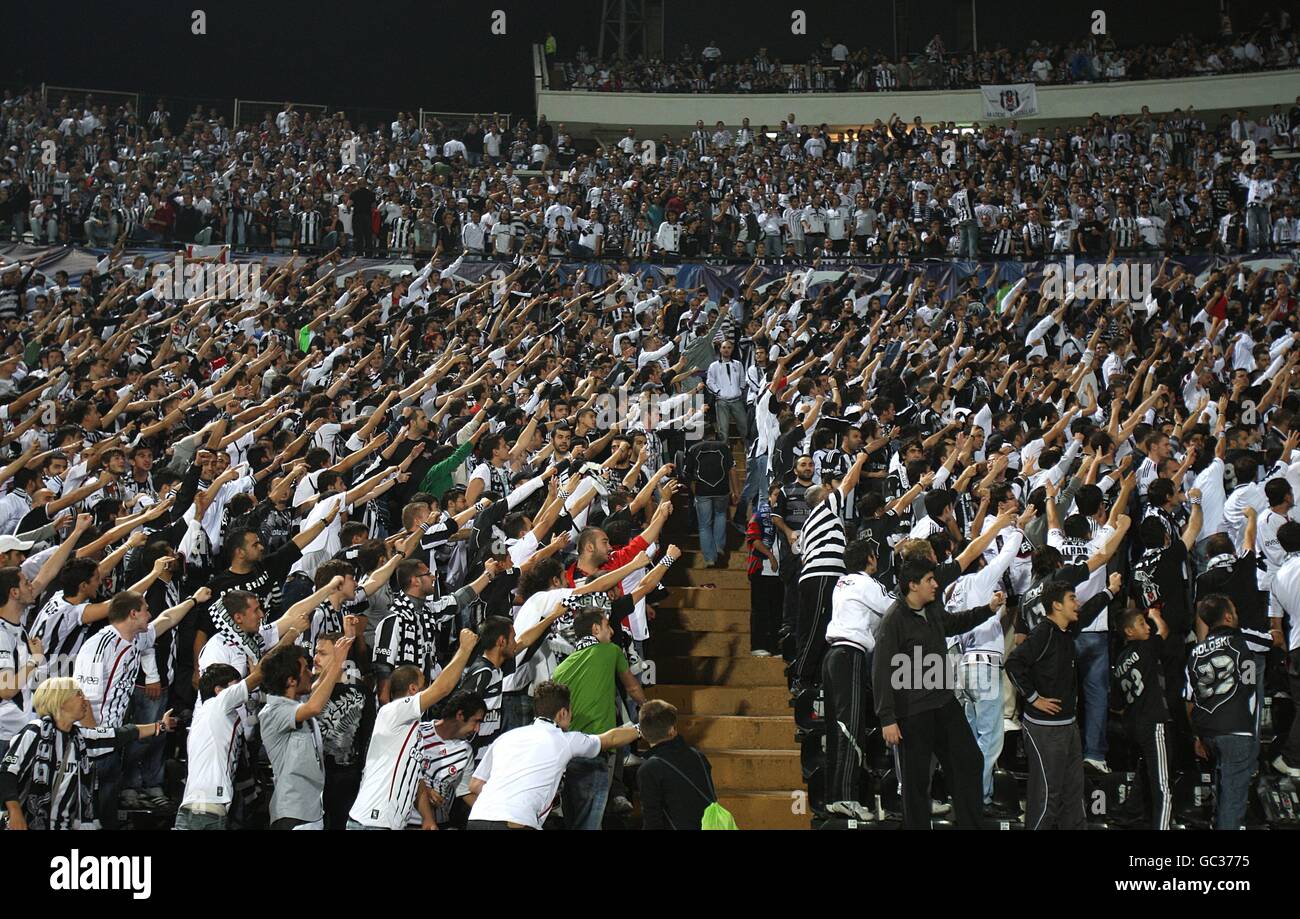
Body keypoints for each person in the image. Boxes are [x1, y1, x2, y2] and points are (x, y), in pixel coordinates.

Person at [871, 558, 1004, 829]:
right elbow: (881, 670)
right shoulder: (894, 619)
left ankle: (970, 824)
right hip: (913, 713)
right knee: (916, 783)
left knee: (969, 761)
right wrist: (887, 718)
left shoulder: (931, 610)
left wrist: (988, 609)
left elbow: (955, 623)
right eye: (930, 580)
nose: (935, 584)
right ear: (913, 585)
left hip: (944, 704)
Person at [1006, 575, 1121, 829]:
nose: (1077, 603)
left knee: (1073, 800)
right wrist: (1034, 698)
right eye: (1072, 599)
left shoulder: (1066, 630)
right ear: (1057, 605)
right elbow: (1013, 663)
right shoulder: (1043, 632)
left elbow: (1089, 611)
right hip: (1044, 729)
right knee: (1047, 800)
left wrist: (1110, 592)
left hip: (1067, 727)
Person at [1, 677, 175, 830]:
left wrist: (160, 726)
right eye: (78, 694)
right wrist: (15, 812)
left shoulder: (81, 738)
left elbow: (122, 734)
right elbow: (6, 772)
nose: (85, 700)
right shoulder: (35, 732)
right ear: (60, 700)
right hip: (28, 823)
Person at [347, 628, 477, 829]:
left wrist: (427, 818)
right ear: (413, 690)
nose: (428, 691)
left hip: (386, 823)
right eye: (425, 686)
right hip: (372, 822)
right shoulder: (393, 711)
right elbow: (442, 689)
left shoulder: (410, 730)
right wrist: (465, 649)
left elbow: (414, 779)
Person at [466, 680, 640, 830]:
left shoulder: (505, 738)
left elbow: (475, 785)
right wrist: (641, 729)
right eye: (570, 712)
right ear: (563, 713)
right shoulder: (565, 740)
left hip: (477, 818)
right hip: (517, 822)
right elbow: (610, 739)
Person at [551, 605, 648, 829]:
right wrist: (647, 709)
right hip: (599, 749)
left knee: (574, 820)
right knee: (591, 823)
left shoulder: (561, 668)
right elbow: (632, 688)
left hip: (568, 753)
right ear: (595, 629)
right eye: (607, 626)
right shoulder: (611, 651)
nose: (612, 632)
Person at [821, 536, 893, 820]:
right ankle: (848, 797)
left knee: (836, 728)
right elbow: (893, 608)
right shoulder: (867, 583)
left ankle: (834, 797)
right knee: (850, 728)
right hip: (850, 655)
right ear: (871, 560)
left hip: (832, 656)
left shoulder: (842, 583)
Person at [258, 635, 354, 829]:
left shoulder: (296, 703)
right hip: (292, 814)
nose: (311, 674)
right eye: (305, 670)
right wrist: (337, 663)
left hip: (312, 811)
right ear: (291, 681)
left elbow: (319, 687)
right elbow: (314, 707)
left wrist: (338, 659)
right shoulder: (273, 712)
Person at [1185, 594, 1259, 830]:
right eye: (1234, 611)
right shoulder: (1243, 639)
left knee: (1223, 795)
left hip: (1208, 731)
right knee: (1233, 802)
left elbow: (1188, 700)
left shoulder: (1195, 652)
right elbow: (1274, 640)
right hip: (1237, 730)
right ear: (1228, 616)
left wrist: (1197, 736)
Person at [1112, 605, 1173, 829]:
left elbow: (1116, 706)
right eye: (1141, 623)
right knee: (1163, 786)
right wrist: (1156, 616)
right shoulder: (1147, 648)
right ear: (1129, 631)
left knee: (1146, 775)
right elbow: (1164, 632)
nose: (1147, 627)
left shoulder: (1119, 661)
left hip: (1133, 725)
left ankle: (1130, 814)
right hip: (1153, 722)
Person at [636, 699, 718, 830]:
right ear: (673, 729)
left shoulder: (649, 769)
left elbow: (652, 819)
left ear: (644, 734)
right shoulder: (698, 756)